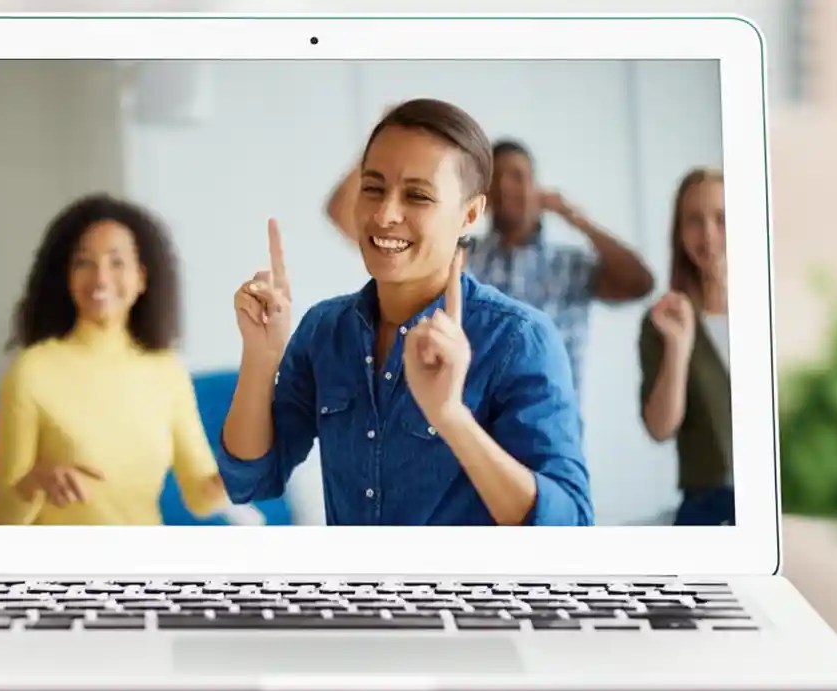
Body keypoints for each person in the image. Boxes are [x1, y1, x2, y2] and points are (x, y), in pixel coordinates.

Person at [220, 99, 593, 526]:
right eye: (373, 188)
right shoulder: (324, 330)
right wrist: (261, 356)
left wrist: (451, 417)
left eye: (417, 195)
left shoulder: (519, 341)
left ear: (470, 214)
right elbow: (249, 481)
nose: (384, 214)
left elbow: (568, 525)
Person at [0, 194, 261, 526]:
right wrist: (34, 482)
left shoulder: (166, 370)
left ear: (142, 277)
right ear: (66, 277)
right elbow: (0, 522)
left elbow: (202, 496)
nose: (100, 278)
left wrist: (256, 460)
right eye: (83, 262)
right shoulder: (31, 371)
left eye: (116, 262)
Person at [329, 138, 655, 395]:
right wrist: (382, 147)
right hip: (473, 438)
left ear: (537, 187)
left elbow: (640, 283)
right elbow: (343, 216)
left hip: (549, 437)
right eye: (496, 179)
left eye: (517, 176)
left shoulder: (569, 265)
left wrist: (574, 217)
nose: (506, 186)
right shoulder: (460, 256)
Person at [638, 168, 733, 526]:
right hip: (709, 504)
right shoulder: (663, 320)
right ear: (679, 233)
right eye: (694, 220)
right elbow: (661, 429)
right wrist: (678, 347)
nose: (708, 234)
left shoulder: (773, 305)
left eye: (722, 219)